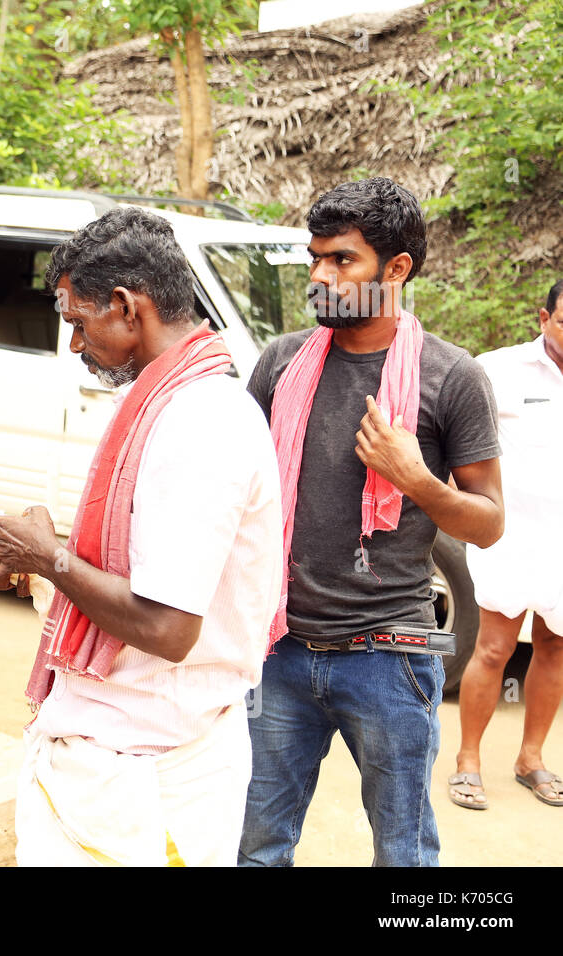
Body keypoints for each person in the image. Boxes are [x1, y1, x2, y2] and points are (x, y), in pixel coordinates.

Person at [0, 207, 284, 866]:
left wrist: (49, 558)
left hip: (148, 773)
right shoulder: (169, 401)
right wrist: (51, 557)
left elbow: (167, 628)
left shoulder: (199, 421)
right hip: (130, 755)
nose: (75, 345)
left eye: (77, 323)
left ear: (128, 307)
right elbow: (149, 567)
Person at [238, 178, 504, 867]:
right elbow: (238, 491)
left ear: (397, 269)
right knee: (255, 849)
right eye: (314, 258)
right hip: (279, 652)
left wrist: (416, 480)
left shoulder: (453, 378)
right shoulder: (281, 363)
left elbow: (488, 523)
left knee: (403, 855)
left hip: (391, 660)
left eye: (342, 261)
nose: (320, 277)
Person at [450, 279, 563, 809]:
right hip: (510, 536)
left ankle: (531, 758)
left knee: (555, 647)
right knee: (494, 647)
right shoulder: (498, 368)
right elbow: (456, 429)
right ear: (544, 318)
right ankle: (468, 759)